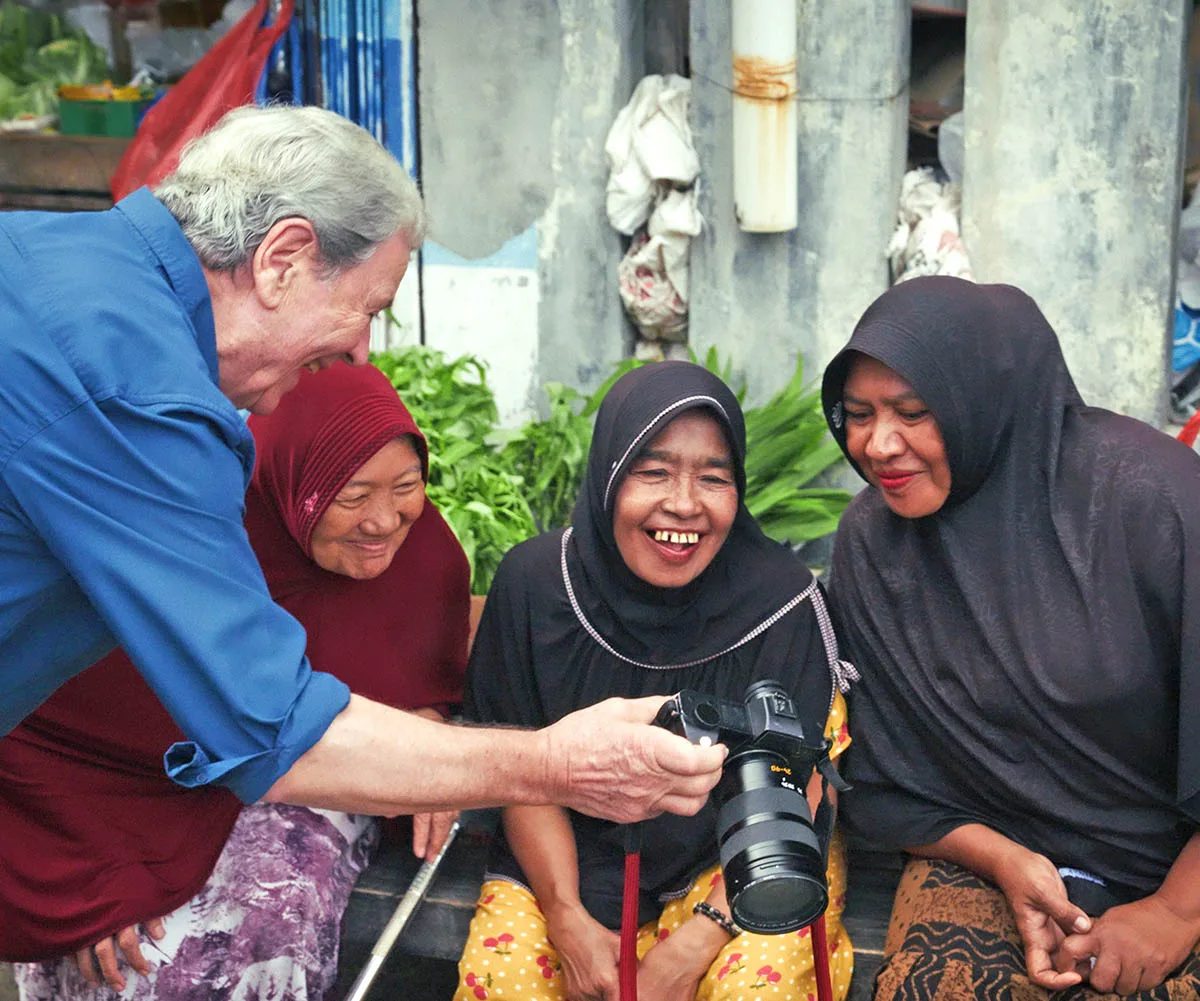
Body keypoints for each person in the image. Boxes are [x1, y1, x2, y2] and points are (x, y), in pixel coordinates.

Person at [0, 105, 724, 834]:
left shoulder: (43, 252)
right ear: (282, 259)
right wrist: (561, 765)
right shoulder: (137, 391)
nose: (362, 352)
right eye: (367, 307)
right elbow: (276, 731)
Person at [2, 362, 470, 999]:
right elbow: (74, 733)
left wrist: (429, 738)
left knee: (261, 918)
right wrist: (88, 883)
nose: (385, 521)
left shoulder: (426, 558)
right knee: (122, 955)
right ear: (291, 479)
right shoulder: (204, 551)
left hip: (315, 786)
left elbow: (420, 687)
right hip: (130, 799)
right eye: (353, 495)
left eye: (407, 486)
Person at [822, 275, 1200, 999]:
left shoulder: (1154, 503)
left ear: (984, 403)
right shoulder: (875, 541)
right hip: (994, 855)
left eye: (913, 411)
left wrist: (1174, 912)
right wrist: (1004, 861)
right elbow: (891, 781)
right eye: (859, 414)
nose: (879, 444)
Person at [454, 361, 857, 1001]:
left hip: (739, 861)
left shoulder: (781, 603)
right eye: (654, 471)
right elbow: (519, 767)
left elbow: (800, 781)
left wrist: (697, 943)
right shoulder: (536, 585)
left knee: (757, 988)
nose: (684, 505)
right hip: (562, 860)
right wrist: (565, 918)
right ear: (611, 473)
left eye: (713, 478)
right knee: (504, 983)